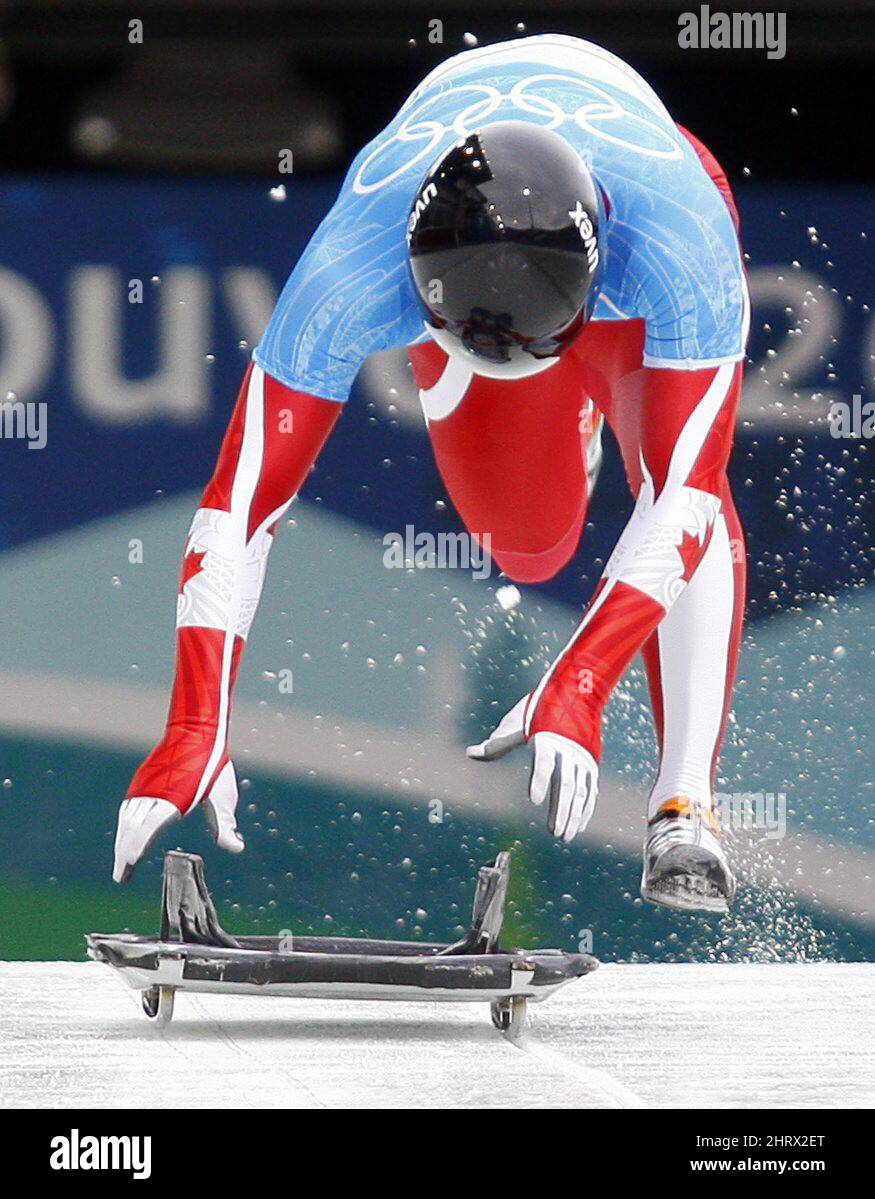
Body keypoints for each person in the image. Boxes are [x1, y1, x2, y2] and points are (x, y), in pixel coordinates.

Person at [114, 34, 748, 913]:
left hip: (634, 250)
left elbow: (687, 496)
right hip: (502, 269)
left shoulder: (683, 242)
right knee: (529, 547)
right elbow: (236, 509)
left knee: (677, 479)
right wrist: (192, 726)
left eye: (521, 344)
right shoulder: (352, 262)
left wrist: (579, 683)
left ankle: (684, 805)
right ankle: (572, 409)